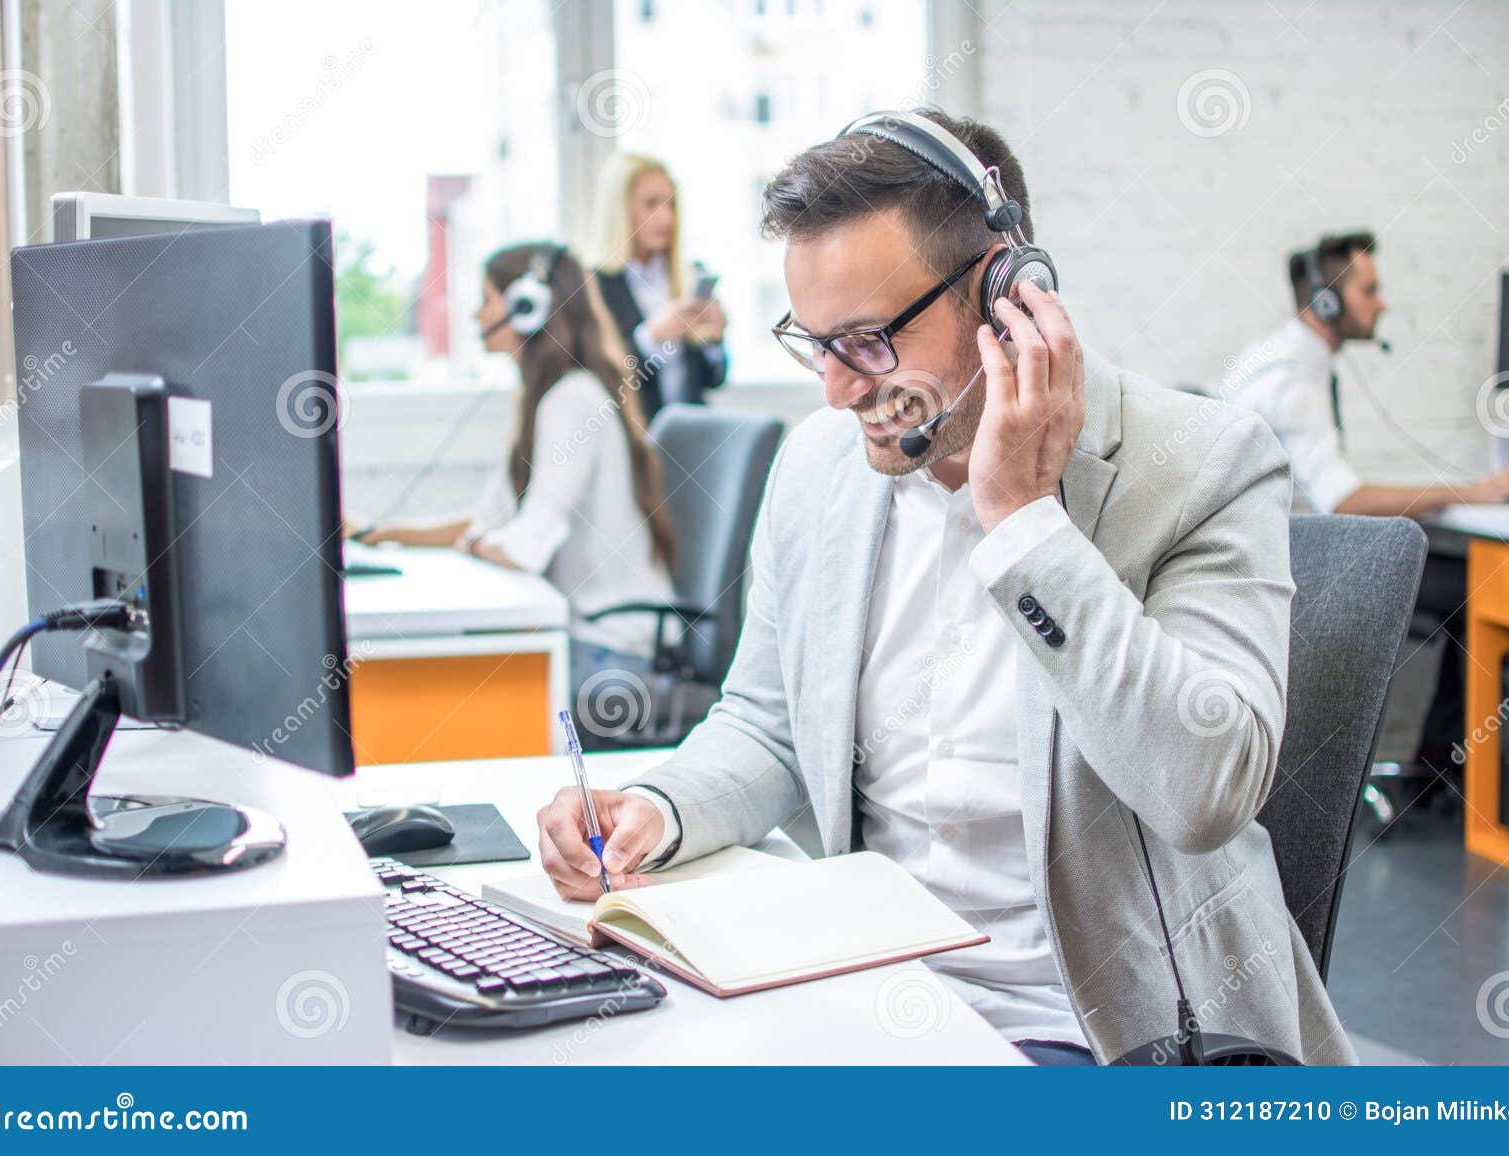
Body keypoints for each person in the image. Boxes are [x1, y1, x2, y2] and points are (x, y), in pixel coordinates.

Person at [535, 109, 1356, 1065]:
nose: (837, 392)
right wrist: (660, 807)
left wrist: (1024, 524)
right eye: (813, 341)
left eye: (870, 341)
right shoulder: (816, 469)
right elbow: (766, 722)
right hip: (864, 994)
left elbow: (1205, 792)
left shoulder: (1202, 466)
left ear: (1010, 296)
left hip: (1094, 1029)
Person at [1220, 233, 1509, 784]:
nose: (1382, 303)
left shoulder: (1282, 358)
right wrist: (1474, 490)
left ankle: (1437, 771)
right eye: (1369, 290)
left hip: (1285, 556)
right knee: (1481, 585)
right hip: (1296, 569)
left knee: (1474, 582)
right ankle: (1442, 774)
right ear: (1327, 301)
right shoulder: (1291, 381)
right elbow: (1344, 499)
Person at [353, 243, 676, 699]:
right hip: (587, 641)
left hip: (613, 655)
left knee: (453, 691)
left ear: (527, 308)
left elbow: (528, 544)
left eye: (485, 300)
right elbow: (489, 517)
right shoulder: (547, 399)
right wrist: (380, 532)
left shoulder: (573, 399)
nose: (475, 316)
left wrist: (478, 544)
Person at [590, 153, 727, 424]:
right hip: (636, 438)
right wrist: (649, 339)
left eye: (670, 204)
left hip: (690, 435)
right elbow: (600, 379)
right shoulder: (594, 285)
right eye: (651, 204)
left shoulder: (688, 276)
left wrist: (714, 339)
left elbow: (715, 378)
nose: (666, 218)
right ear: (619, 209)